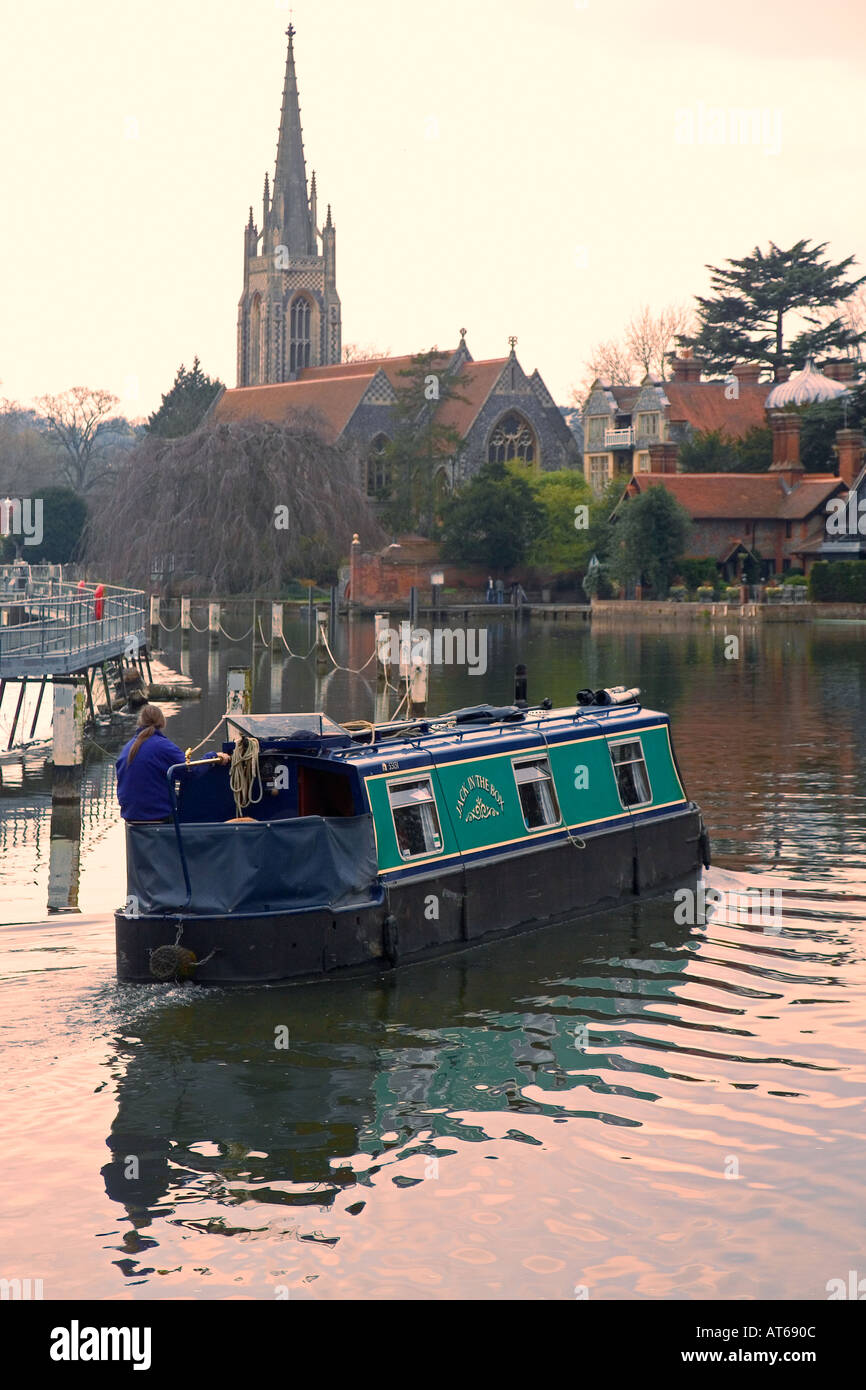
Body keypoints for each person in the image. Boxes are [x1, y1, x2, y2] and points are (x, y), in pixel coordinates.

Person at [116, 704, 229, 823]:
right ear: (162, 722)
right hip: (156, 817)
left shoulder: (127, 748)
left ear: (140, 722)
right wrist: (213, 757)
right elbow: (191, 771)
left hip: (131, 817)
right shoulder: (162, 746)